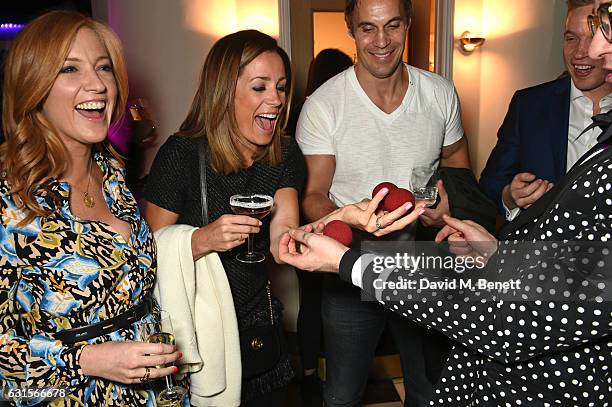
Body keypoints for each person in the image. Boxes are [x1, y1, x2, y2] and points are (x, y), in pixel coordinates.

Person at [278, 131, 611, 405]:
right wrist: (497, 255)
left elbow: (506, 320)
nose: (595, 48)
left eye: (608, 44)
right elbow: (567, 276)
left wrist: (346, 262)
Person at [0, 11, 180, 406]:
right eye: (69, 69)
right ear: (34, 87)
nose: (97, 84)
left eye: (103, 68)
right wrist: (86, 360)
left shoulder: (112, 175)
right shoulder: (9, 204)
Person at [295, 0, 470, 405]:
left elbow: (459, 168)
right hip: (350, 268)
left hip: (425, 265)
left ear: (408, 24)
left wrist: (449, 206)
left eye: (392, 26)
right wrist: (352, 219)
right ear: (350, 29)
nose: (381, 41)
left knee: (430, 389)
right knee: (342, 393)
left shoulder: (439, 93)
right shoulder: (324, 104)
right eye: (367, 28)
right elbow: (314, 195)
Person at [143, 30, 305, 406]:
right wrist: (202, 240)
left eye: (281, 87)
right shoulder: (181, 154)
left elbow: (285, 241)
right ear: (223, 90)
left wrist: (334, 224)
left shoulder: (284, 152)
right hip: (198, 335)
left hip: (259, 328)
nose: (276, 100)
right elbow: (147, 255)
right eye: (260, 87)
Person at [479, 0, 612, 221]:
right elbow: (489, 184)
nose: (579, 53)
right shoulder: (529, 105)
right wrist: (510, 196)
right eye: (571, 38)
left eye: (593, 37)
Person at [289, 48, 354, 407]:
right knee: (331, 301)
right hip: (314, 218)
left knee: (313, 302)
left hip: (301, 219)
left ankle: (313, 374)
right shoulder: (318, 111)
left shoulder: (295, 110)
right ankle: (327, 374)